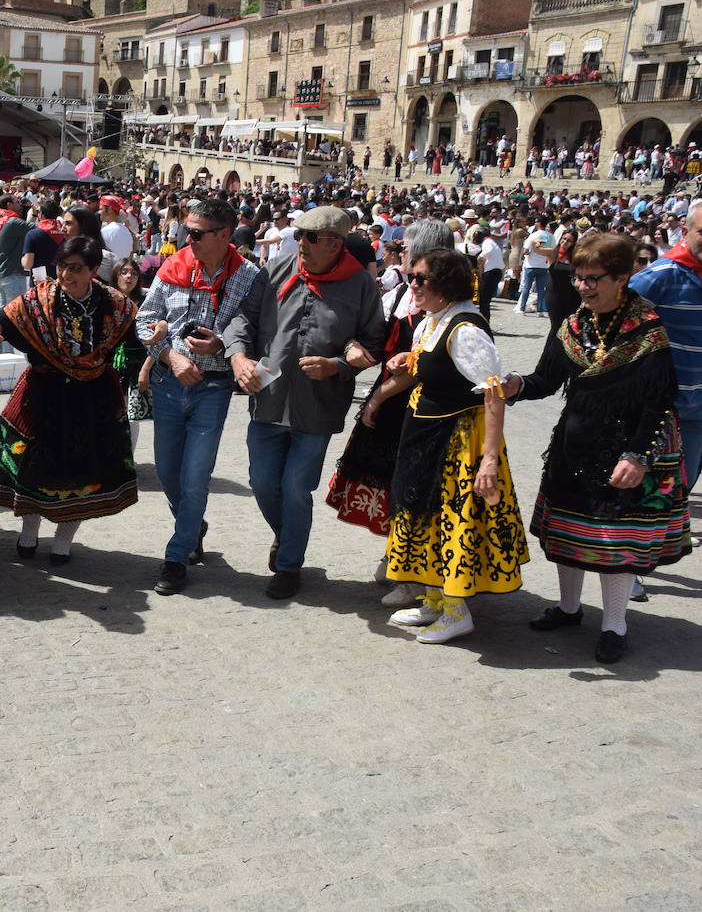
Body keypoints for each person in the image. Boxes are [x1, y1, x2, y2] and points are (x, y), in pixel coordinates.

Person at [506, 234, 691, 663]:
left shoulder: (648, 330)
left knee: (615, 543)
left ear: (622, 278)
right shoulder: (573, 325)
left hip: (626, 450)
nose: (584, 287)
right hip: (575, 445)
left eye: (594, 279)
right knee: (569, 531)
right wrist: (515, 385)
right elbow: (545, 381)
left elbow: (659, 401)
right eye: (578, 279)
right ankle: (569, 609)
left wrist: (637, 457)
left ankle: (615, 625)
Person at [224, 205, 386, 600]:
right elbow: (241, 319)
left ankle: (289, 564)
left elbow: (373, 343)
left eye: (310, 237)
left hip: (318, 405)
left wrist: (335, 366)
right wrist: (238, 357)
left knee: (296, 486)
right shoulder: (275, 271)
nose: (301, 243)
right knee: (262, 483)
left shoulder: (361, 286)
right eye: (298, 235)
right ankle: (287, 535)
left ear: (335, 243)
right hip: (268, 398)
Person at [377, 248, 529, 642]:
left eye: (421, 278)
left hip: (459, 442)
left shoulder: (465, 330)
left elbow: (493, 395)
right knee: (423, 515)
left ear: (446, 284)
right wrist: (409, 360)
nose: (413, 284)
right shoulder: (433, 322)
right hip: (426, 435)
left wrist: (489, 460)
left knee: (452, 523)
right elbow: (437, 367)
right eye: (412, 276)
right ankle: (435, 601)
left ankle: (457, 611)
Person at [0, 236, 138, 564]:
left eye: (75, 268)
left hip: (93, 401)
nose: (65, 274)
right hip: (43, 396)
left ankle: (63, 541)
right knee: (33, 467)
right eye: (61, 265)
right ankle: (29, 531)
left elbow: (137, 339)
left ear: (92, 270)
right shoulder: (38, 300)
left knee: (82, 474)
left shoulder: (116, 305)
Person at [138, 198, 268, 596]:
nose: (185, 237)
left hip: (212, 389)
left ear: (224, 235)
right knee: (166, 472)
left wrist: (222, 349)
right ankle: (191, 526)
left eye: (195, 233)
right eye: (185, 230)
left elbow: (257, 334)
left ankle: (176, 557)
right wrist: (171, 355)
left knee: (195, 478)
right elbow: (144, 321)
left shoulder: (249, 277)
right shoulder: (174, 265)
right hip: (168, 381)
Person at [325, 220, 454, 608]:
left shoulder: (444, 304)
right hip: (392, 398)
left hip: (421, 407)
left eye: (407, 247)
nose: (398, 252)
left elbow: (422, 363)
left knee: (414, 489)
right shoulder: (400, 292)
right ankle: (397, 557)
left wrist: (378, 395)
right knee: (391, 485)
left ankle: (413, 573)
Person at [632, 199, 702, 500]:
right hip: (661, 407)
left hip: (698, 411)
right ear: (685, 231)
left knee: (680, 489)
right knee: (649, 494)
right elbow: (612, 327)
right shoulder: (657, 277)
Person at [109, 258, 153, 452]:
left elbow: (154, 337)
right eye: (124, 272)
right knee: (110, 411)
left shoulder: (145, 301)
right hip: (110, 363)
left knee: (132, 415)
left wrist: (146, 369)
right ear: (116, 275)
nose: (129, 276)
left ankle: (128, 459)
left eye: (134, 273)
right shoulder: (106, 299)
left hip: (137, 362)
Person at [517, 215, 554, 315]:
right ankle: (540, 310)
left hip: (531, 264)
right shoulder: (551, 236)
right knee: (541, 289)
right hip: (544, 265)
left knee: (526, 287)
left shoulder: (533, 235)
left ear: (538, 223)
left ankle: (522, 308)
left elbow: (525, 250)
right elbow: (553, 250)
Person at [97, 196, 135, 280]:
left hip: (111, 278)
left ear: (109, 209)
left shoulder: (106, 231)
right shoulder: (126, 230)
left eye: (101, 209)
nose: (99, 212)